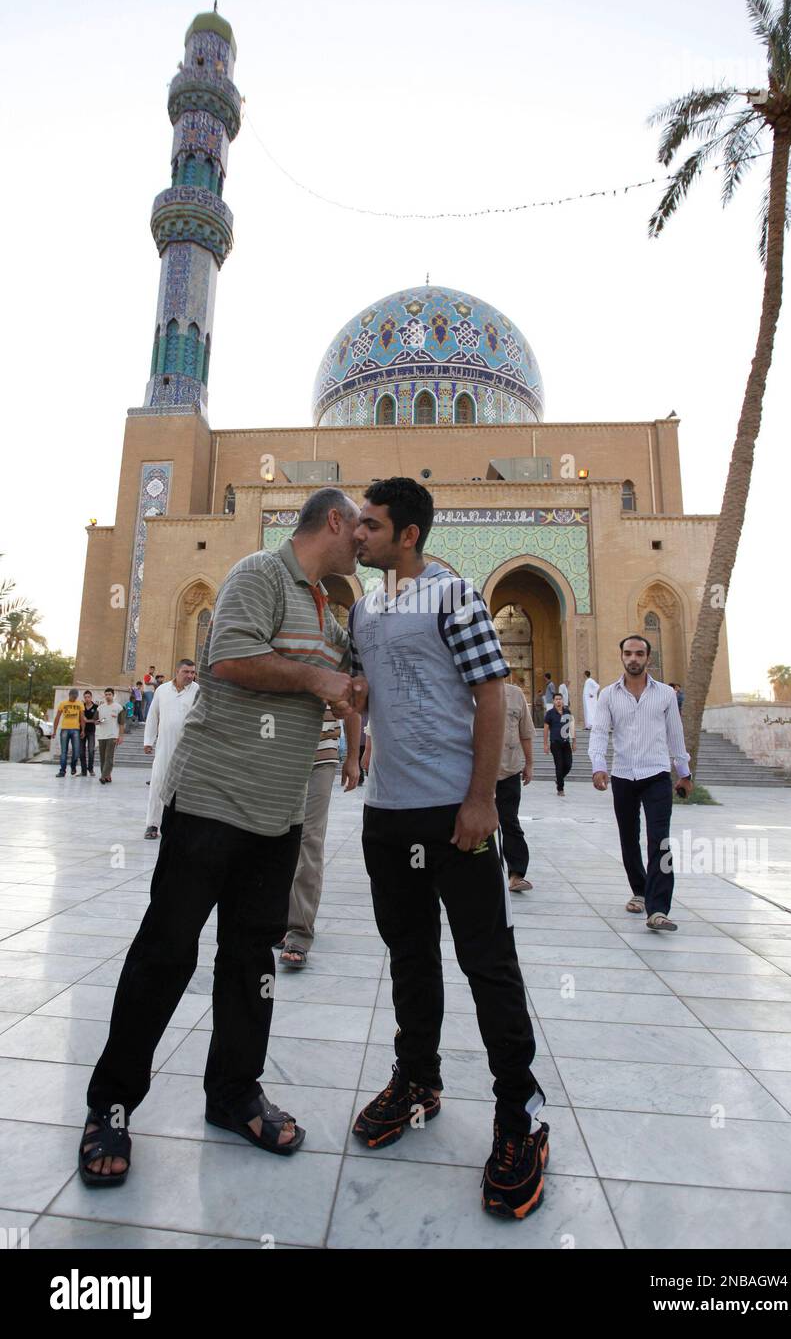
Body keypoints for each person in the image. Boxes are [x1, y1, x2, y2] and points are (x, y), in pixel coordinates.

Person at [77, 486, 367, 1186]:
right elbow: (230, 659)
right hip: (212, 801)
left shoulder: (333, 606)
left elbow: (345, 686)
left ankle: (233, 1092)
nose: (365, 539)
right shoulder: (260, 575)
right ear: (333, 520)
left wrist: (355, 732)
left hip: (278, 814)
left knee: (250, 962)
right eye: (359, 526)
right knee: (166, 954)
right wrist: (314, 677)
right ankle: (110, 1105)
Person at [349, 477, 548, 1222]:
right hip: (390, 815)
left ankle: (518, 1115)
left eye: (370, 525)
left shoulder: (452, 596)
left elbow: (491, 690)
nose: (357, 534)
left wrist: (480, 799)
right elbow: (362, 688)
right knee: (409, 956)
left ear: (407, 535)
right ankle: (417, 1079)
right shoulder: (366, 608)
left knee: (486, 962)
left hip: (453, 816)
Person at [590, 635, 691, 932]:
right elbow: (599, 733)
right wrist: (598, 766)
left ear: (648, 657)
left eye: (639, 653)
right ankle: (640, 890)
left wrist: (683, 773)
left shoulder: (665, 695)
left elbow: (676, 734)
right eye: (628, 653)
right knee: (629, 838)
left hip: (657, 775)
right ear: (621, 656)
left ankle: (658, 908)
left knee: (660, 840)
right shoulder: (608, 695)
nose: (633, 658)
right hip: (623, 775)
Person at [277, 705, 360, 967]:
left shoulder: (337, 662)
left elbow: (352, 707)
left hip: (321, 758)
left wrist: (353, 758)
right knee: (275, 839)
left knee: (309, 841)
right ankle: (279, 920)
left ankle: (299, 933)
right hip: (278, 756)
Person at [143, 659, 199, 839]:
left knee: (187, 788)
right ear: (177, 671)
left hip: (188, 748)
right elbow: (153, 715)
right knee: (158, 783)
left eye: (192, 672)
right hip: (164, 747)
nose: (190, 675)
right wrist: (148, 740)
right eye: (186, 672)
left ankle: (183, 826)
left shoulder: (198, 691)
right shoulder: (162, 690)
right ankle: (152, 824)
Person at [496, 677, 535, 893]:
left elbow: (526, 733)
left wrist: (529, 764)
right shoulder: (469, 691)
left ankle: (516, 874)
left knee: (509, 822)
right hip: (476, 772)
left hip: (509, 771)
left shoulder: (516, 694)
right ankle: (487, 873)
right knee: (478, 825)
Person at [544, 698, 575, 795]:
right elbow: (546, 729)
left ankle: (559, 778)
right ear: (553, 701)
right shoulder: (550, 713)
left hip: (566, 743)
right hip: (555, 743)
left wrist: (574, 742)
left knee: (568, 765)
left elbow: (571, 726)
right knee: (559, 765)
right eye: (556, 699)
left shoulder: (567, 712)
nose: (558, 701)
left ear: (562, 701)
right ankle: (560, 789)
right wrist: (545, 744)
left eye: (560, 699)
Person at [96, 689, 126, 783]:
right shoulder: (100, 708)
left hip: (113, 735)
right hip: (102, 736)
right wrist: (97, 721)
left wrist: (120, 736)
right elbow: (95, 720)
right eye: (106, 694)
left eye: (109, 694)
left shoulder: (119, 707)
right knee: (102, 757)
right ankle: (107, 776)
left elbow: (121, 723)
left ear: (113, 695)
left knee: (109, 757)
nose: (108, 696)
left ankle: (103, 776)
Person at [54, 689, 84, 777]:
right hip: (65, 729)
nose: (74, 698)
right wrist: (54, 731)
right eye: (73, 696)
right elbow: (57, 717)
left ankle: (73, 766)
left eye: (76, 697)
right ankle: (62, 771)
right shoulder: (63, 704)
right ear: (69, 695)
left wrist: (83, 730)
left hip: (76, 729)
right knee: (64, 752)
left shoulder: (80, 704)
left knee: (76, 752)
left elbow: (82, 718)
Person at [79, 690, 99, 776]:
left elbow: (98, 720)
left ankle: (90, 769)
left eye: (88, 697)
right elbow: (80, 719)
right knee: (81, 752)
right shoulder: (81, 706)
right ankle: (83, 771)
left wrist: (88, 720)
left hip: (91, 731)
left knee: (91, 750)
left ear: (91, 697)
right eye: (85, 697)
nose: (87, 699)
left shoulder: (96, 707)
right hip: (82, 731)